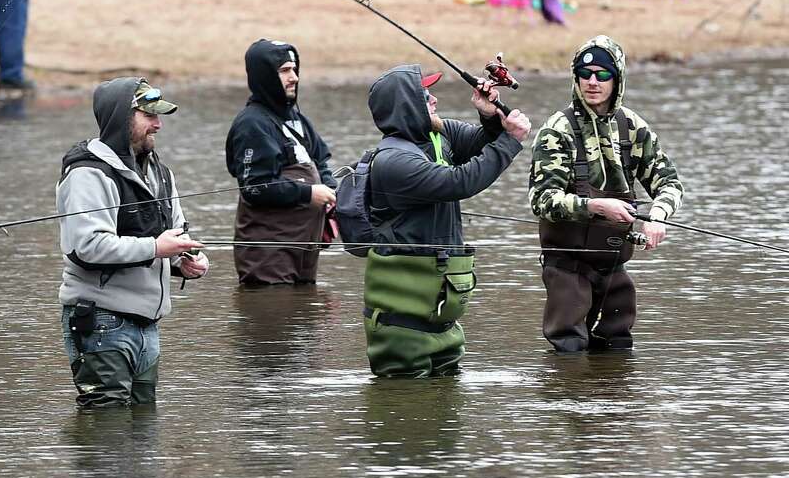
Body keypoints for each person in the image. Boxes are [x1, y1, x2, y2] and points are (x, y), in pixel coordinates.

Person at [360, 65, 531, 377]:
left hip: (440, 311)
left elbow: (480, 144)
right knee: (405, 403)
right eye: (426, 96)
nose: (435, 100)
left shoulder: (439, 134)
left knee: (445, 408)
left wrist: (491, 117)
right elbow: (460, 182)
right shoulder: (394, 161)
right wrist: (511, 141)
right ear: (407, 107)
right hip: (402, 316)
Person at [56, 77, 209, 408]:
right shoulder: (88, 174)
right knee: (106, 429)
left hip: (147, 326)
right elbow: (88, 247)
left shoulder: (160, 172)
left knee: (141, 432)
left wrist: (185, 261)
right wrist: (156, 249)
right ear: (120, 118)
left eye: (158, 115)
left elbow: (176, 234)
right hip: (100, 322)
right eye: (148, 115)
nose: (158, 124)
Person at [529, 36, 684, 353]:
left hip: (613, 264)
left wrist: (657, 216)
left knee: (618, 347)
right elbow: (542, 200)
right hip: (567, 265)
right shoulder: (558, 130)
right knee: (569, 350)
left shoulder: (632, 126)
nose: (592, 82)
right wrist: (595, 206)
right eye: (585, 75)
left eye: (602, 75)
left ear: (617, 79)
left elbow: (669, 182)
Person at [224, 39, 337, 285]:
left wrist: (331, 193)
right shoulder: (252, 124)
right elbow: (255, 187)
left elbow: (321, 161)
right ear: (265, 75)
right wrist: (308, 193)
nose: (294, 77)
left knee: (302, 315)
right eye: (285, 70)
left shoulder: (298, 119)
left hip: (304, 247)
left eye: (295, 69)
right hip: (268, 256)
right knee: (273, 317)